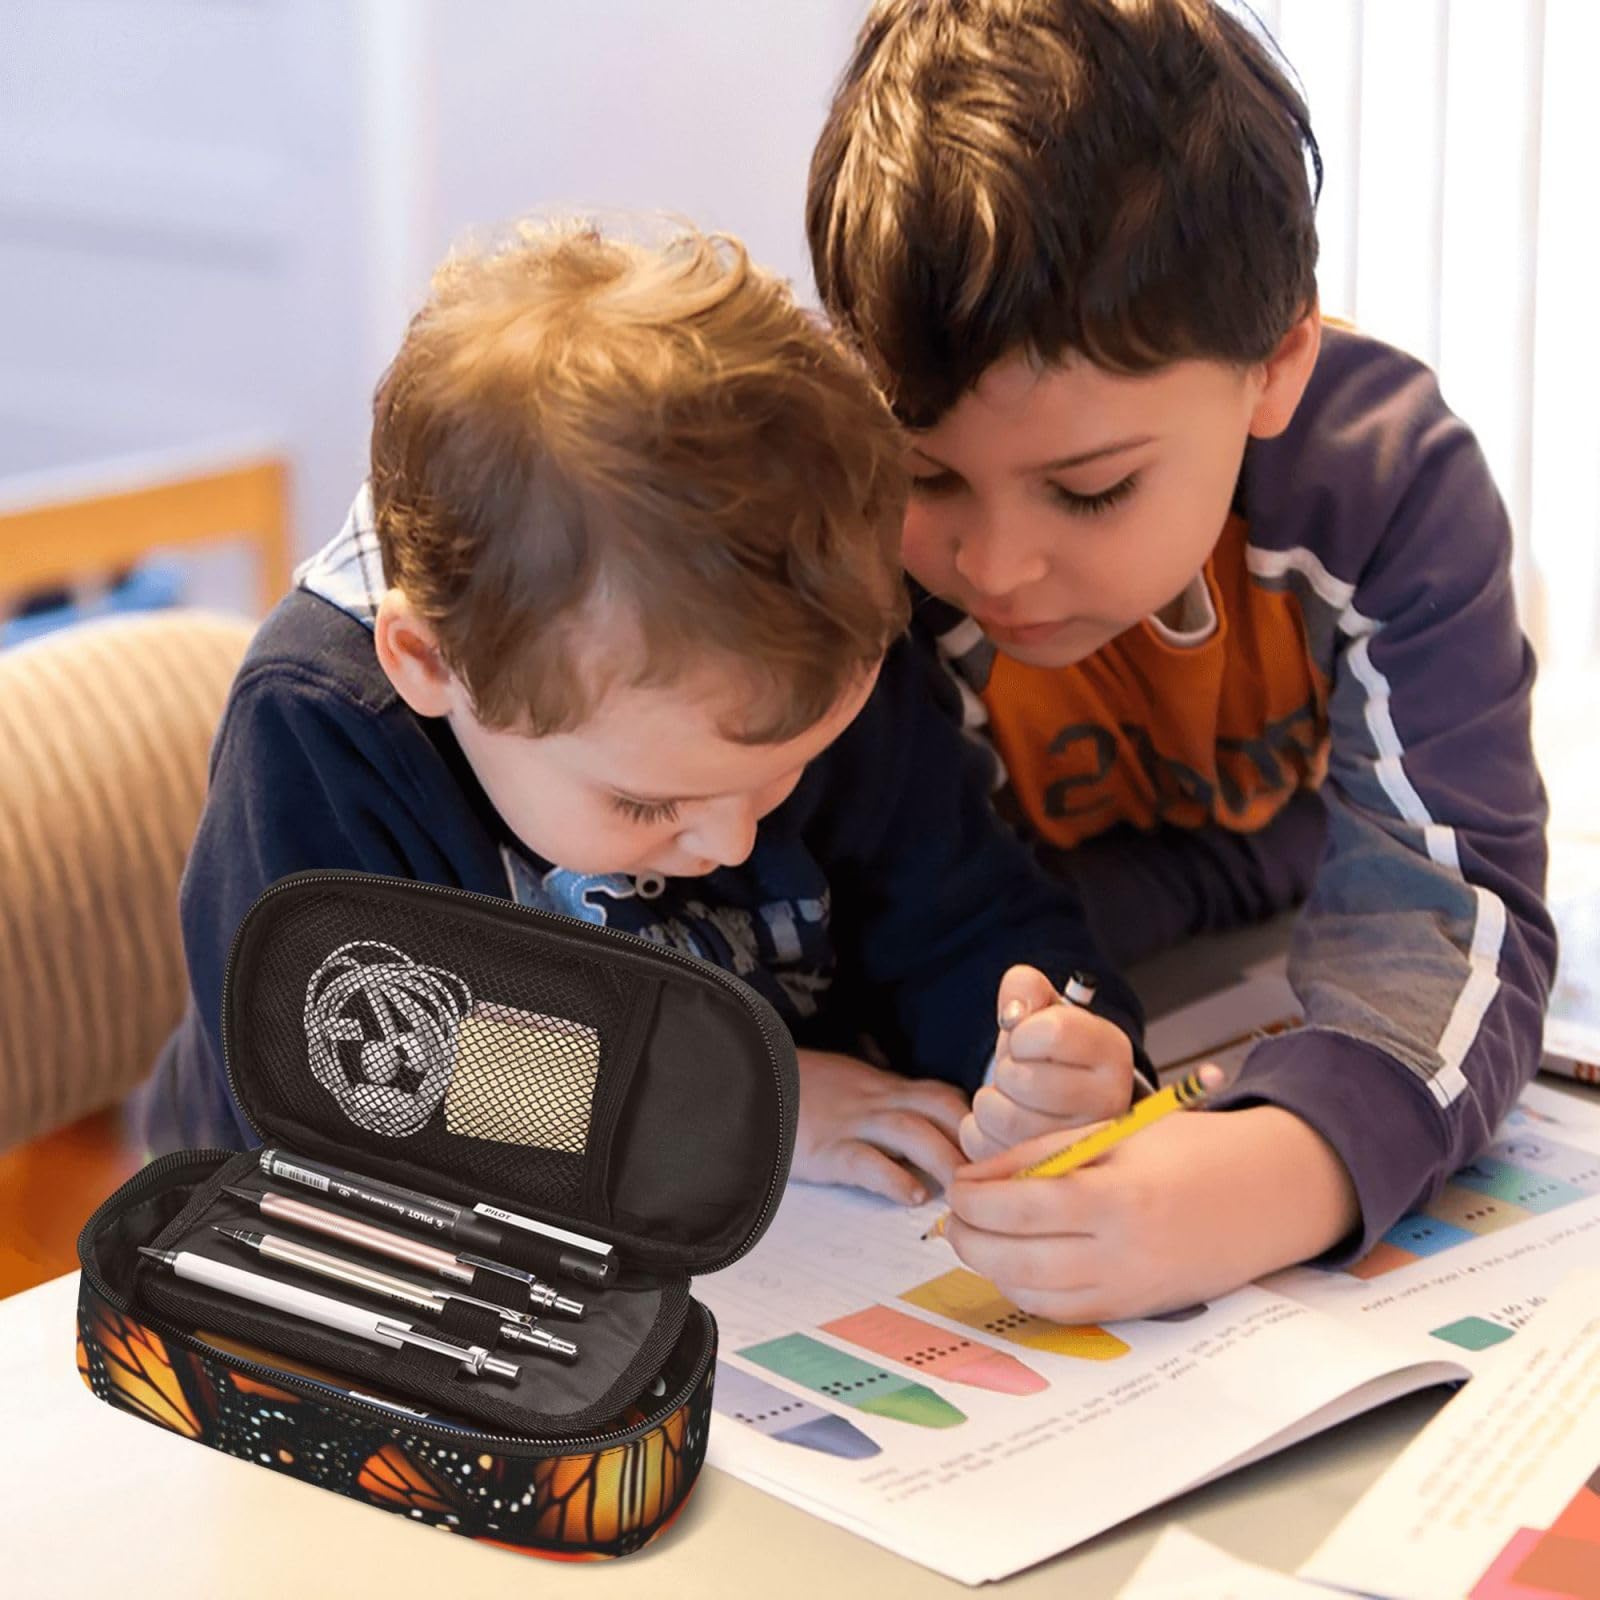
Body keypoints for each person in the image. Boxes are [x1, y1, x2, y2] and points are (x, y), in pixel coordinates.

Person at [135, 218, 1149, 1210]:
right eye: (644, 804)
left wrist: (1043, 1051)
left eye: (782, 773)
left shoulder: (807, 645)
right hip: (294, 1241)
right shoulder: (323, 729)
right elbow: (346, 1063)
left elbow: (963, 914)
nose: (733, 832)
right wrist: (749, 1107)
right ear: (432, 664)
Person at [806, 0, 1555, 1318]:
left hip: (1285, 908)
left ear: (1276, 365)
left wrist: (1290, 1168)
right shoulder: (844, 528)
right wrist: (1036, 1048)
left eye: (1089, 491)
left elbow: (1452, 908)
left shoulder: (1390, 485)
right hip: (1110, 948)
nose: (994, 567)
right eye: (926, 474)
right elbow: (897, 923)